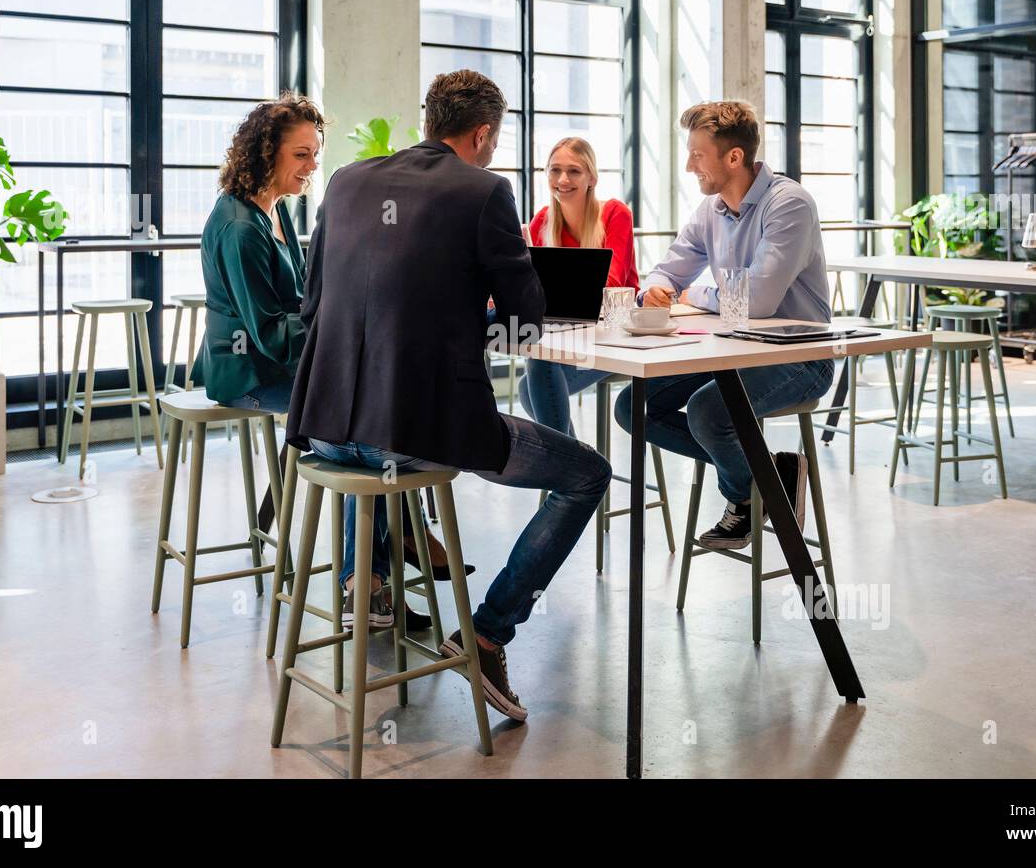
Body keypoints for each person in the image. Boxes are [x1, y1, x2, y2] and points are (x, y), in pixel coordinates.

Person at [288, 69, 612, 722]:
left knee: (388, 430)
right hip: (413, 436)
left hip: (320, 426)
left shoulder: (346, 181)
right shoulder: (486, 192)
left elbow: (313, 301)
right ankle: (487, 634)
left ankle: (370, 583)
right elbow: (526, 316)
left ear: (429, 117)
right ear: (483, 133)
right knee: (588, 473)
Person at [614, 100, 833, 550]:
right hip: (729, 351)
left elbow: (757, 301)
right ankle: (769, 475)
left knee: (708, 411)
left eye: (697, 154)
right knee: (631, 407)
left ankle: (744, 499)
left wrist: (692, 293)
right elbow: (667, 270)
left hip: (800, 357)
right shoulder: (710, 210)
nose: (689, 165)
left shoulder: (788, 204)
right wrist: (655, 288)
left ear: (734, 157)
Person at [197, 92, 325, 417]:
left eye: (314, 154)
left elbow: (301, 294)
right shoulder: (241, 228)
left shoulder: (276, 208)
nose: (312, 165)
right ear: (266, 155)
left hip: (278, 364)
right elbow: (271, 334)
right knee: (360, 393)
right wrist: (335, 328)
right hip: (248, 377)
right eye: (301, 154)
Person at [516, 137, 637, 435]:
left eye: (574, 171)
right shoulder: (543, 220)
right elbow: (526, 278)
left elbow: (613, 284)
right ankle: (581, 471)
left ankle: (577, 473)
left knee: (536, 371)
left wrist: (545, 291)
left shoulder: (614, 214)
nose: (563, 179)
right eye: (555, 170)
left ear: (592, 177)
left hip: (614, 337)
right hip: (568, 333)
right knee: (530, 381)